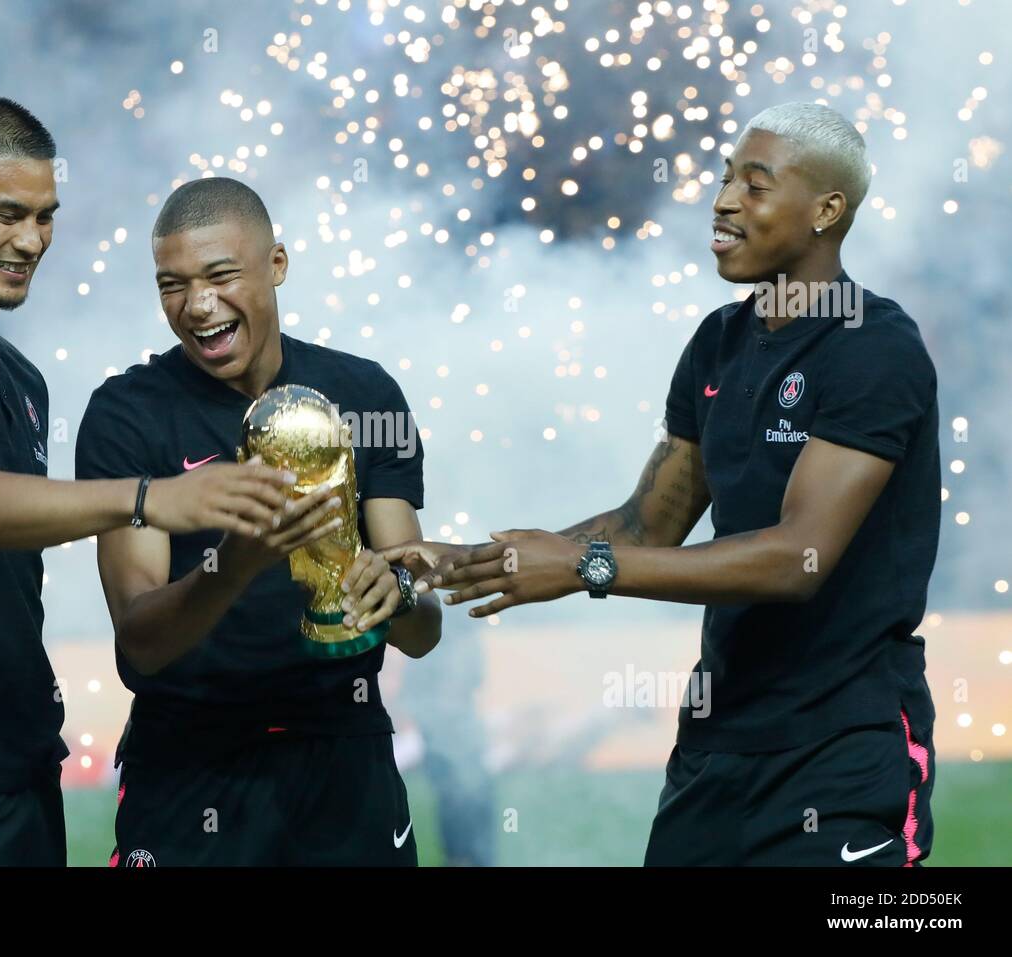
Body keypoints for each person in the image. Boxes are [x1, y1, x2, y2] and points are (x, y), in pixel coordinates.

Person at [388, 102, 939, 867]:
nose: (722, 201)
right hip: (716, 749)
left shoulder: (876, 348)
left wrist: (584, 568)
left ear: (826, 210)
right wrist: (472, 559)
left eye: (755, 185)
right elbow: (647, 524)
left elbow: (796, 559)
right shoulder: (718, 341)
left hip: (843, 754)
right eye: (723, 180)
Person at [0, 97, 291, 866]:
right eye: (7, 214)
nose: (31, 240)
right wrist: (146, 496)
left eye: (45, 216)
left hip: (27, 769)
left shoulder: (23, 378)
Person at [75, 176, 442, 866]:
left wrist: (393, 590)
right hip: (190, 766)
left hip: (344, 759)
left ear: (276, 264)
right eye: (172, 285)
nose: (198, 305)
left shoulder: (365, 393)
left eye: (219, 275)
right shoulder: (127, 414)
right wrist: (235, 562)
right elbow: (140, 645)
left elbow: (422, 628)